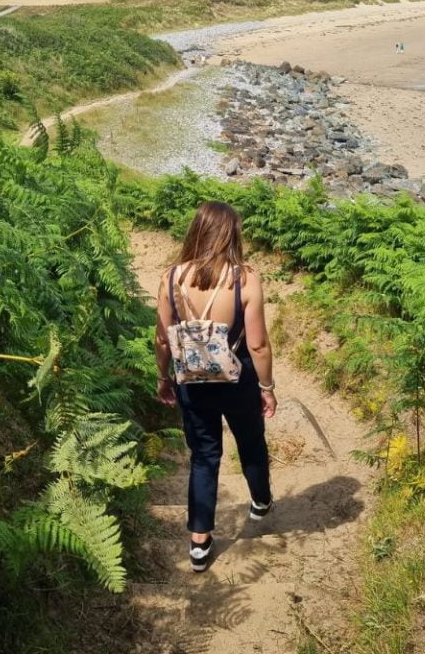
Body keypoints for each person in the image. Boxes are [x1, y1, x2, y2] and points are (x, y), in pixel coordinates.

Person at [155, 201, 276, 572]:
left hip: (191, 379)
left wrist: (163, 377)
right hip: (237, 378)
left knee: (204, 457)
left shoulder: (171, 277)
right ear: (231, 235)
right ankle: (260, 501)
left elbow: (161, 340)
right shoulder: (245, 278)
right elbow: (257, 344)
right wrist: (267, 386)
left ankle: (199, 543)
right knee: (250, 440)